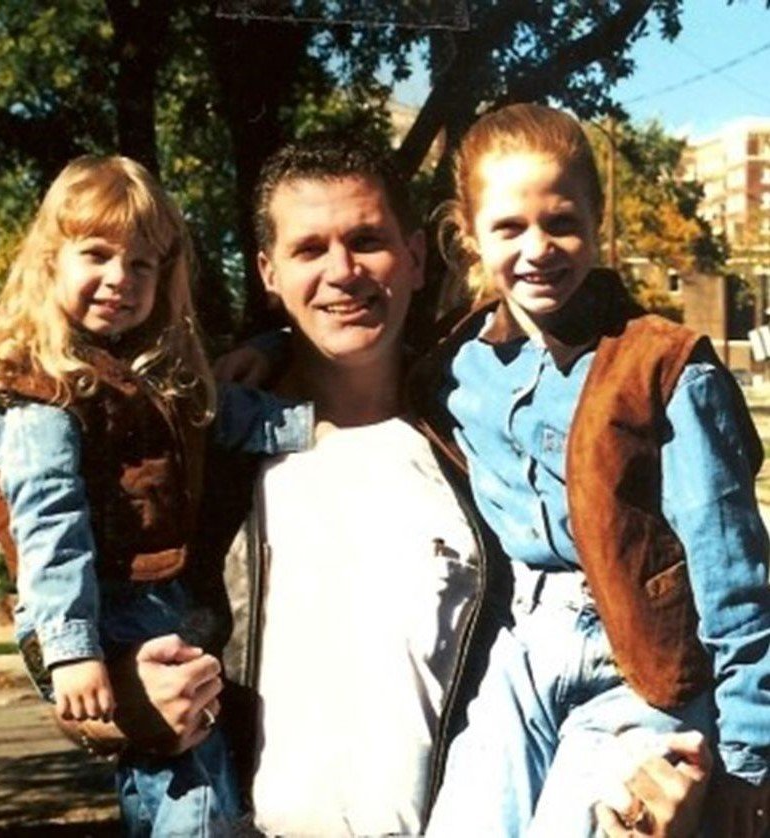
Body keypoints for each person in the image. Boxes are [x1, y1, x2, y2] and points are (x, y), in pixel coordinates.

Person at [99, 135, 714, 837]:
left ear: (417, 257)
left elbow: (635, 620)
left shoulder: (486, 449)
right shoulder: (209, 455)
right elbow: (79, 610)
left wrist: (660, 788)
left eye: (367, 240)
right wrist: (120, 703)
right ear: (269, 272)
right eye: (309, 249)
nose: (342, 272)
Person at [404, 103, 770, 837]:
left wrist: (750, 758)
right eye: (509, 227)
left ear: (597, 222)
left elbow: (735, 577)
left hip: (641, 669)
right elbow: (350, 364)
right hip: (520, 657)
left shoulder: (664, 368)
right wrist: (270, 349)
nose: (538, 248)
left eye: (561, 221)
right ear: (469, 234)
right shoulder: (456, 368)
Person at [0, 155, 312, 836]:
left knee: (181, 776)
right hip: (96, 609)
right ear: (49, 262)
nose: (120, 279)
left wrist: (311, 397)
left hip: (151, 603)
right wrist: (72, 649)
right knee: (193, 782)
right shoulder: (46, 398)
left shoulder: (149, 381)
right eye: (97, 255)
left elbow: (237, 418)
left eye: (142, 264)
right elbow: (50, 529)